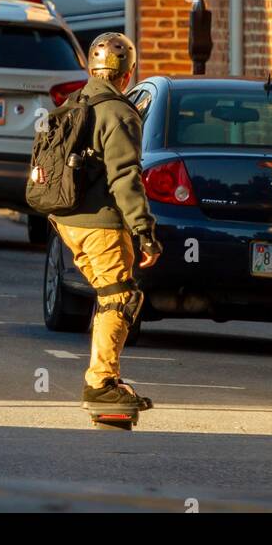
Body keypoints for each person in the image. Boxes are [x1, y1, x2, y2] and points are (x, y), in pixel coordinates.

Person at [52, 31, 163, 411]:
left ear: (92, 69)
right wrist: (144, 231)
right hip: (100, 222)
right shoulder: (119, 112)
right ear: (127, 73)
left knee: (109, 293)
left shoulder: (73, 102)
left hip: (65, 219)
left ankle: (106, 379)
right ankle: (101, 384)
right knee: (120, 295)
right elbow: (125, 177)